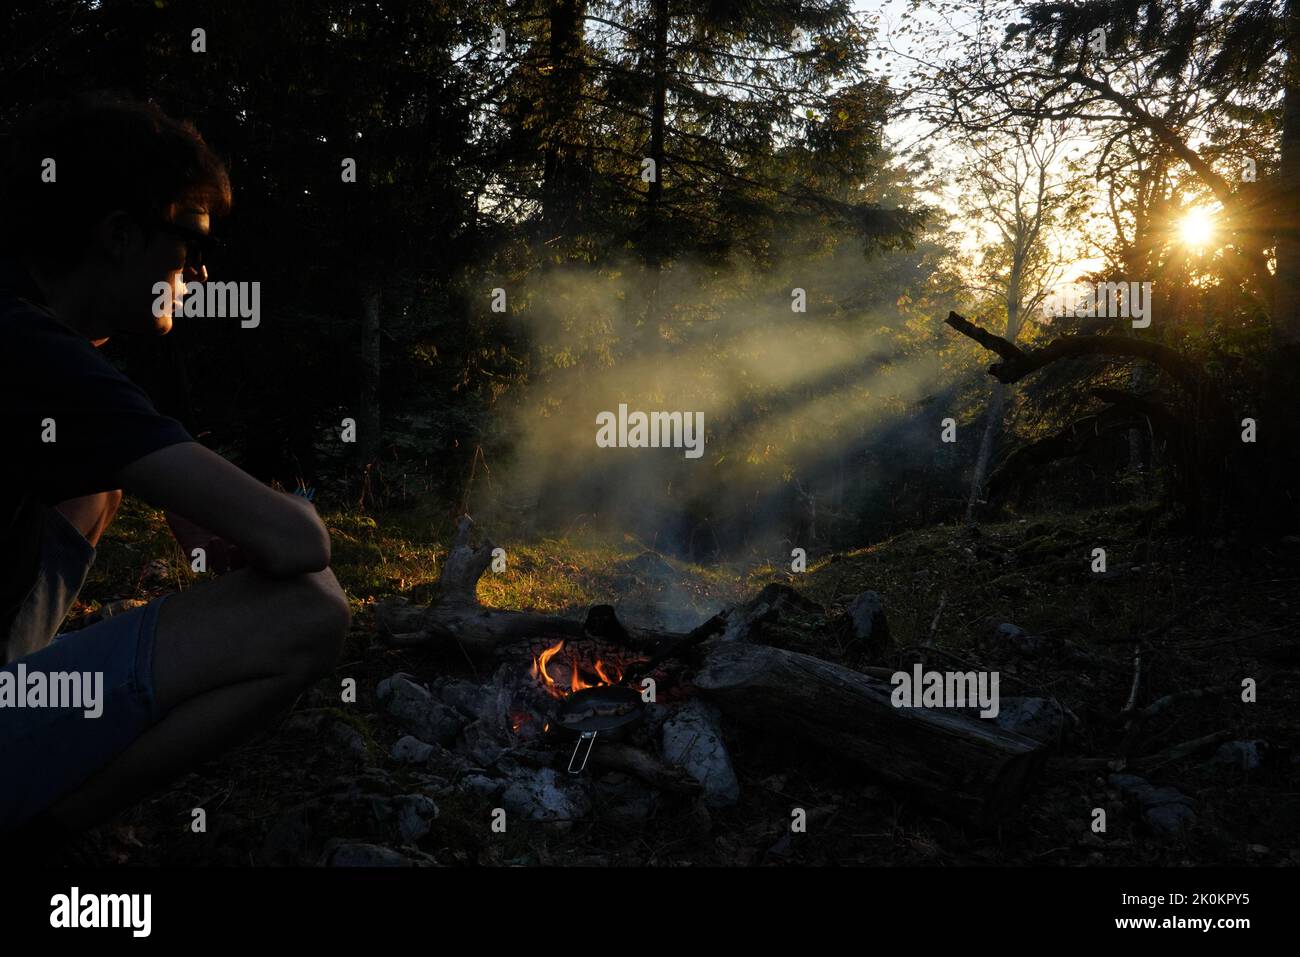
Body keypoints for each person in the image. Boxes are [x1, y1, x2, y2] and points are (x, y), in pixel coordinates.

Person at [0, 92, 349, 845]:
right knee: (311, 609)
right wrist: (289, 512)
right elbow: (297, 545)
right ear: (121, 237)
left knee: (98, 478)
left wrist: (177, 499)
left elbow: (96, 434)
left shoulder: (23, 321)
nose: (197, 268)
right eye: (188, 243)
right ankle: (47, 823)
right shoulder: (34, 351)